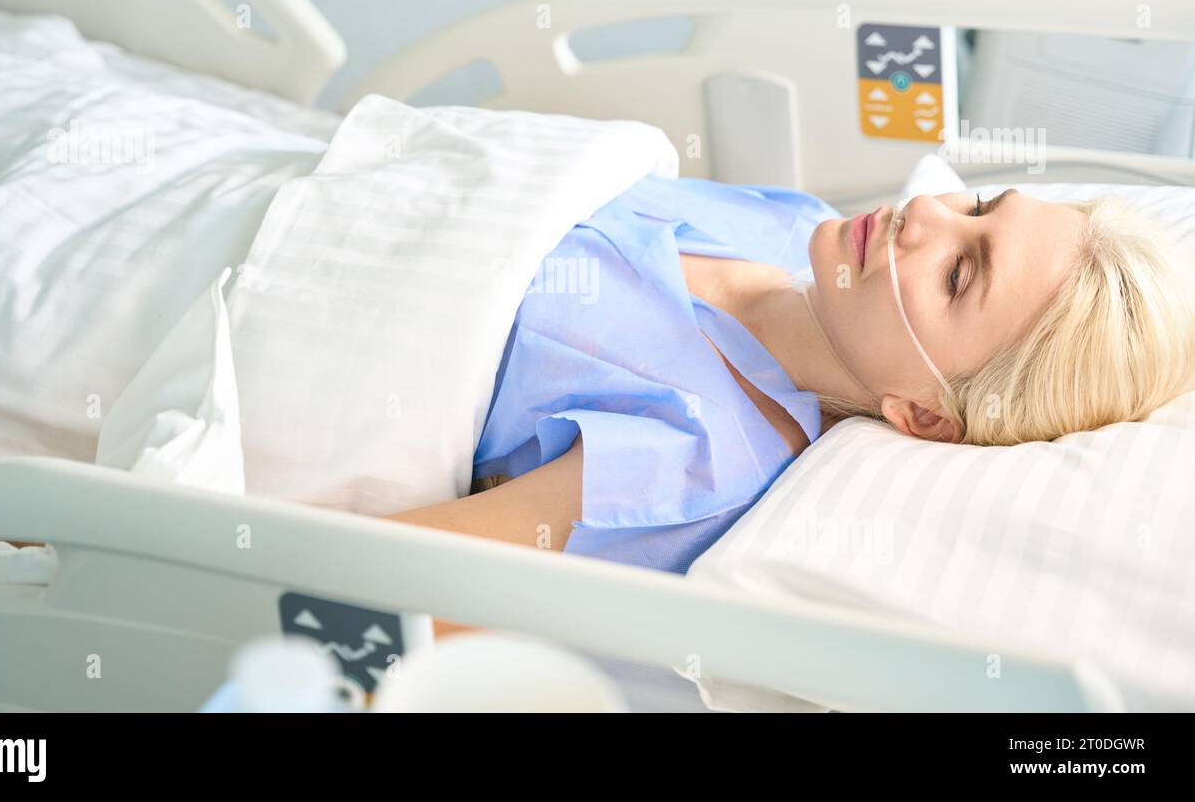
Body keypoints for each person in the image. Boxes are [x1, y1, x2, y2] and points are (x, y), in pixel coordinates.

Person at [386, 175, 1195, 582]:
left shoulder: (701, 457)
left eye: (958, 275)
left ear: (925, 418)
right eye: (979, 204)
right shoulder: (793, 222)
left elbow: (386, 581)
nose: (927, 214)